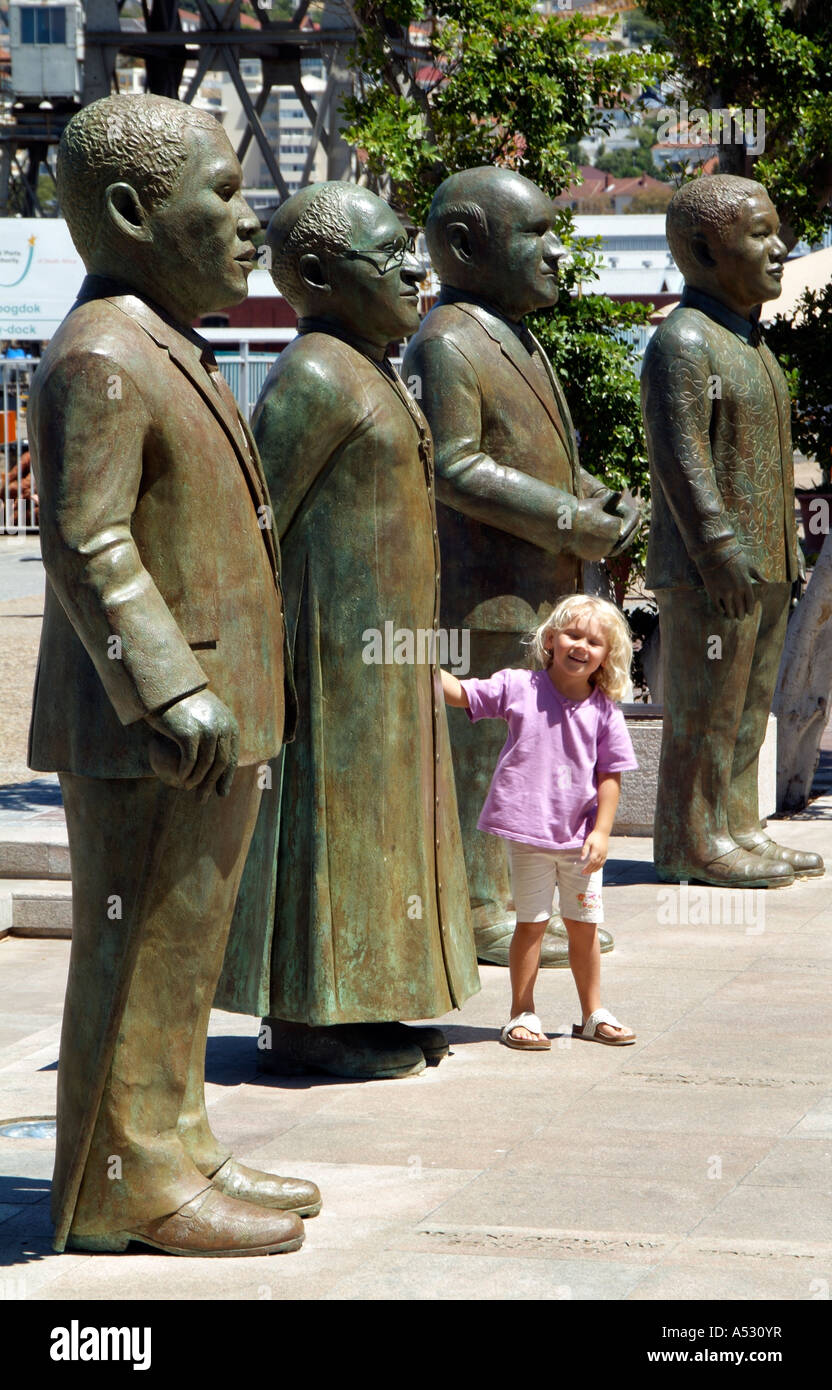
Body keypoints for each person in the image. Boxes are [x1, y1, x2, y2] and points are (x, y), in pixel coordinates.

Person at [29, 93, 317, 1257]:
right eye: (225, 194)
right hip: (152, 721)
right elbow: (86, 539)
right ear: (133, 211)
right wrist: (164, 686)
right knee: (135, 936)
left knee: (184, 947)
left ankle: (175, 1136)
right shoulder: (101, 353)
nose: (251, 223)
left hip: (212, 712)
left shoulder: (162, 338)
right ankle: (116, 1180)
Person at [216, 182, 480, 1080]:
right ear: (322, 275)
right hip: (327, 657)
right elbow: (258, 526)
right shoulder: (317, 374)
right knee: (331, 829)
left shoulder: (369, 365)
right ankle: (307, 1020)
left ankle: (362, 1000)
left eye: (414, 251)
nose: (415, 271)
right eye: (389, 259)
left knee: (380, 829)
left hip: (385, 651)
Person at [403, 166, 640, 968]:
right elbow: (457, 468)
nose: (555, 251)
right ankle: (477, 907)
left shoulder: (515, 337)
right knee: (485, 762)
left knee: (529, 758)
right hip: (486, 599)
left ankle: (514, 902)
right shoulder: (446, 340)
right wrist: (574, 521)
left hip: (536, 595)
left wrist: (594, 497)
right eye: (535, 232)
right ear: (467, 245)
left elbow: (537, 459)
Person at [642, 175, 823, 887]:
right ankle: (692, 839)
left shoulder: (752, 345)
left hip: (767, 561)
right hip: (709, 567)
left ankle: (738, 825)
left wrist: (784, 554)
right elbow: (678, 456)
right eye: (759, 234)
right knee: (706, 710)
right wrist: (717, 547)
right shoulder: (684, 342)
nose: (780, 249)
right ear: (702, 250)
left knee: (749, 707)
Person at [442, 595, 638, 1048]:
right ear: (550, 639)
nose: (581, 646)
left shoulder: (605, 711)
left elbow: (610, 778)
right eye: (572, 635)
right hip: (529, 837)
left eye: (594, 641)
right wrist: (416, 666)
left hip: (581, 842)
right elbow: (464, 694)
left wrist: (603, 832)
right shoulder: (519, 687)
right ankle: (521, 1012)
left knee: (583, 927)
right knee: (530, 924)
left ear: (606, 656)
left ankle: (592, 1013)